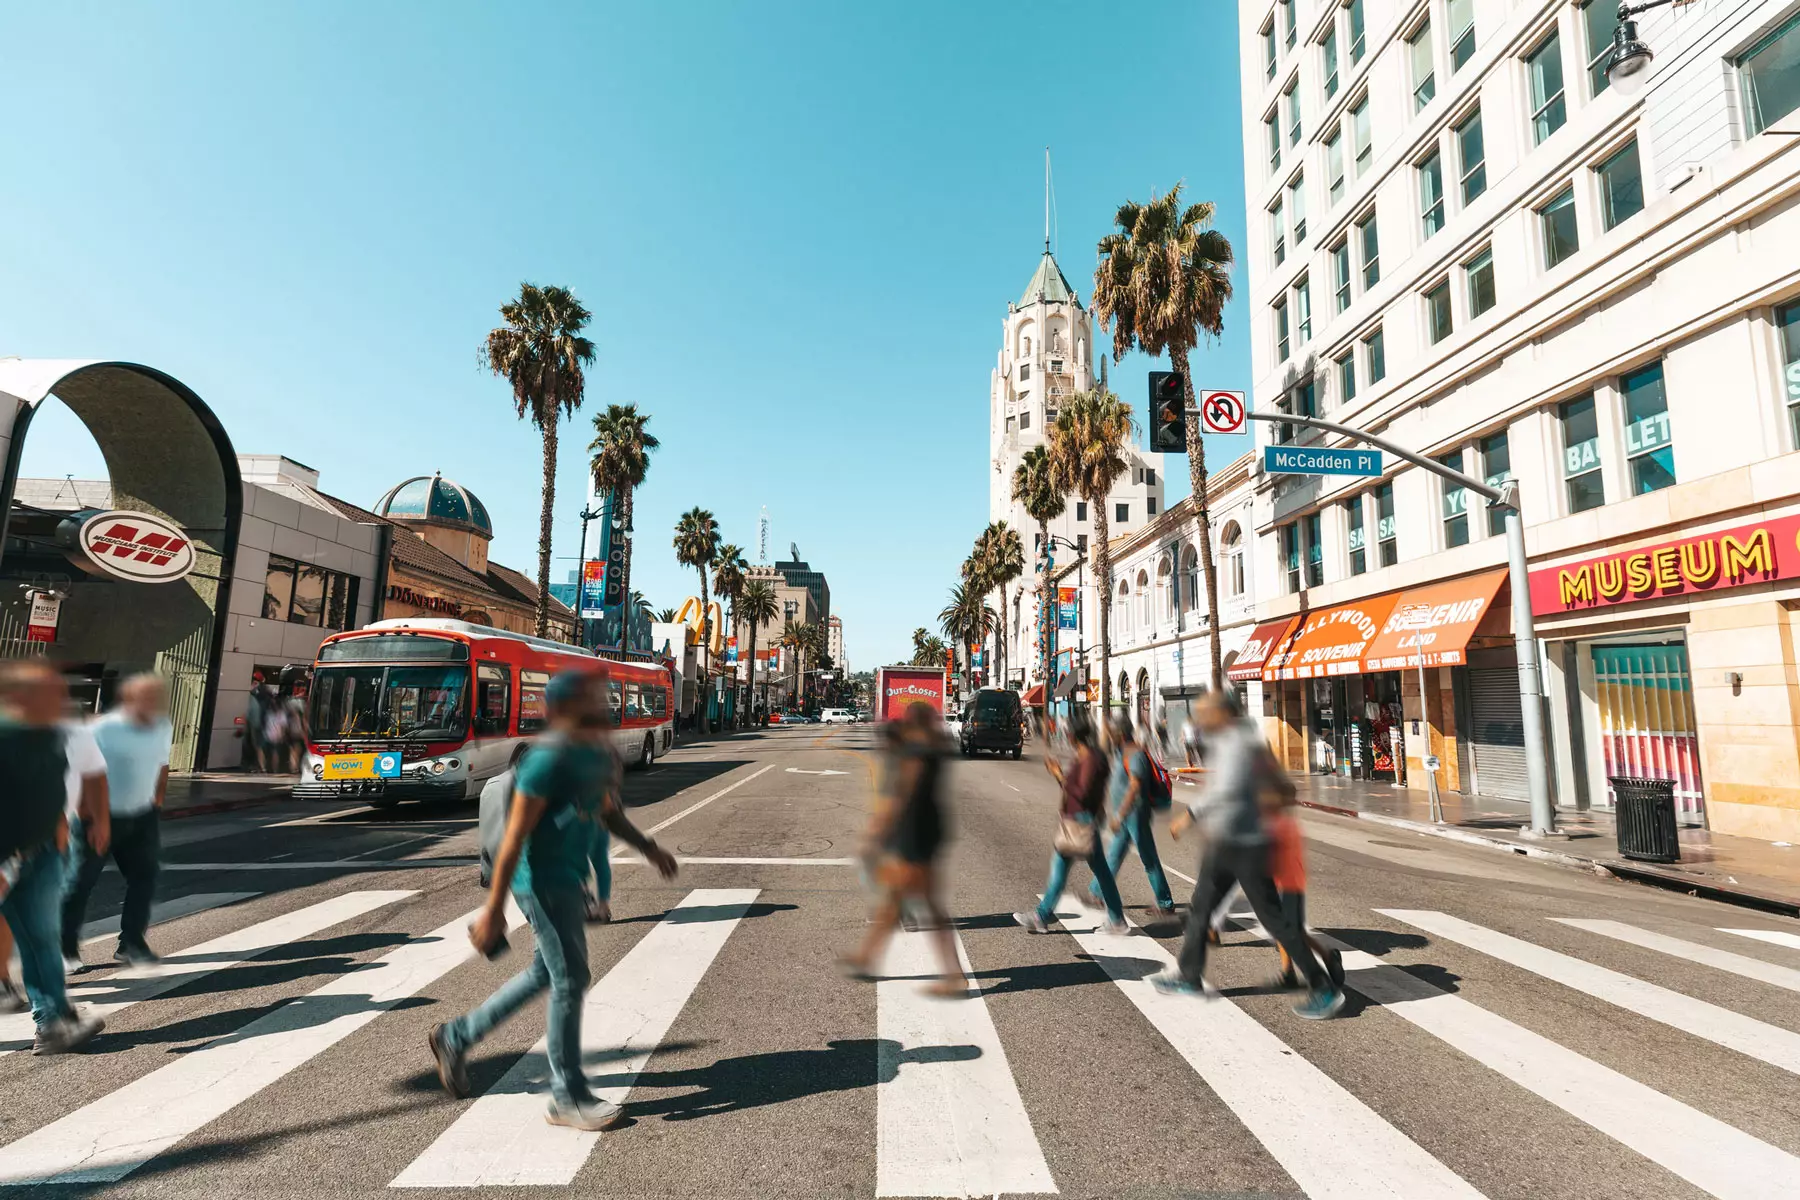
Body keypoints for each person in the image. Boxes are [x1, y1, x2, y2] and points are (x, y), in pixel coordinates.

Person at [429, 668, 678, 1130]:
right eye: (592, 699)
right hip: (538, 882)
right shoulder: (547, 760)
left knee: (547, 972)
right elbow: (513, 839)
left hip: (567, 878)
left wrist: (648, 848)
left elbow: (608, 813)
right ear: (567, 709)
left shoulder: (595, 755)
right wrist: (493, 913)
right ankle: (566, 1096)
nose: (604, 705)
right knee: (570, 979)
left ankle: (457, 1036)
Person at [1152, 690, 1345, 1021]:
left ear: (1222, 714)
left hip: (1246, 846)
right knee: (1201, 909)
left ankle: (1322, 985)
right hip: (1227, 845)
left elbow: (1227, 789)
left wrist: (1190, 816)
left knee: (1275, 921)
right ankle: (1188, 976)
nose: (1198, 719)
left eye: (1204, 712)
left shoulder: (1237, 742)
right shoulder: (1231, 740)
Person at [0, 661, 104, 1053]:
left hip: (40, 852)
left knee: (41, 938)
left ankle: (53, 1021)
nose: (61, 700)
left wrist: (58, 830)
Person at [837, 702, 966, 996]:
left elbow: (900, 798)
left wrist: (874, 835)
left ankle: (953, 975)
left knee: (925, 909)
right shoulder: (935, 750)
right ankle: (867, 958)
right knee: (901, 904)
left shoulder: (917, 755)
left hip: (914, 838)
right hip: (927, 834)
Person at [64, 674, 171, 967]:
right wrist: (86, 812)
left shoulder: (162, 726)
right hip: (99, 815)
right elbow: (78, 769)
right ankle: (65, 948)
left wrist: (156, 801)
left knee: (144, 878)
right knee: (80, 882)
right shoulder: (102, 729)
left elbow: (163, 764)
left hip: (141, 816)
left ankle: (131, 943)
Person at [1013, 714, 1127, 936]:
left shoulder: (1091, 759)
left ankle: (1042, 916)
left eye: (1068, 733)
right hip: (1080, 820)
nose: (1066, 735)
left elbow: (1082, 793)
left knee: (1070, 871)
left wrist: (1058, 774)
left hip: (1081, 822)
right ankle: (1115, 920)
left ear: (1073, 736)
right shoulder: (1088, 756)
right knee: (1096, 872)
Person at [1089, 716, 1176, 916]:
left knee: (1148, 858)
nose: (1108, 734)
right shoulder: (1121, 751)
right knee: (1114, 854)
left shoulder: (1134, 753)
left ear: (1119, 733)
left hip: (1135, 812)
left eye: (1110, 731)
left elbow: (1136, 785)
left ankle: (1165, 902)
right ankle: (1097, 891)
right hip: (1128, 814)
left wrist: (1120, 814)